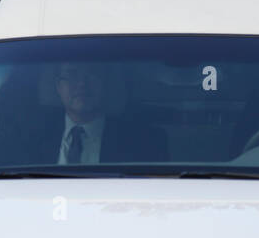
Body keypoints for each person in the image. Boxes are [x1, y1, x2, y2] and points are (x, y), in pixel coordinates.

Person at [29, 63, 165, 164]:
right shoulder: (32, 137)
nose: (82, 83)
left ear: (104, 83)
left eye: (92, 73)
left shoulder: (142, 142)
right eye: (72, 74)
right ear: (59, 86)